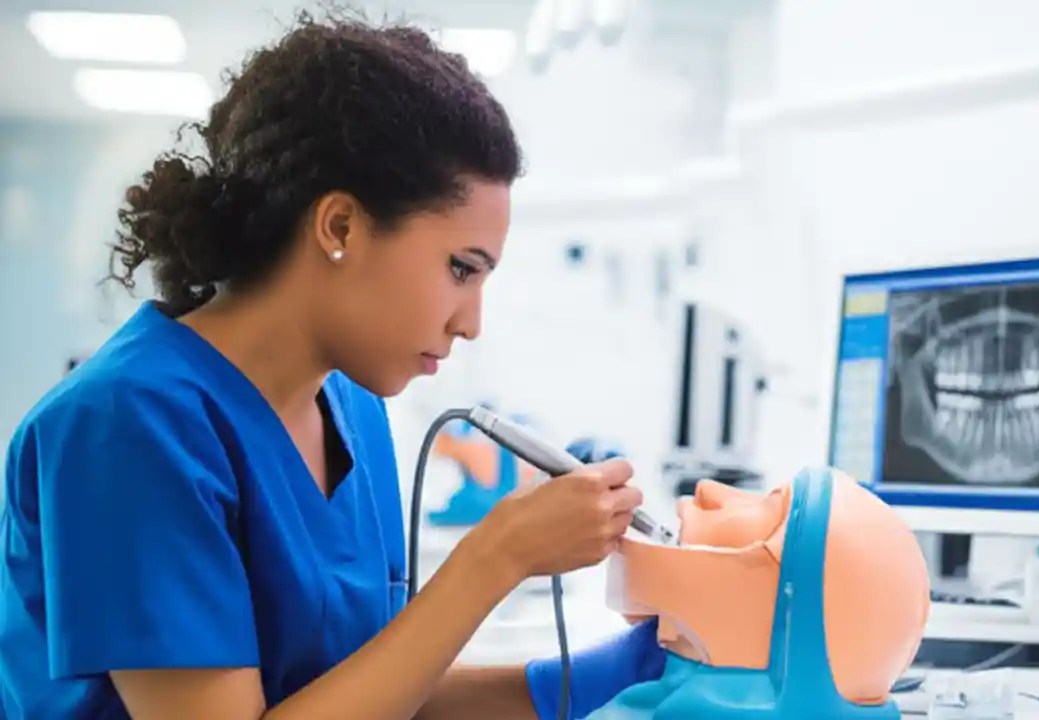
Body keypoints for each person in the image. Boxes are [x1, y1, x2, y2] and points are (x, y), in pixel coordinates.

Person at [0, 13, 664, 720]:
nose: (471, 322)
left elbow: (372, 694)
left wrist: (605, 677)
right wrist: (494, 559)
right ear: (340, 226)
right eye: (459, 269)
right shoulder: (127, 427)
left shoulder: (349, 404)